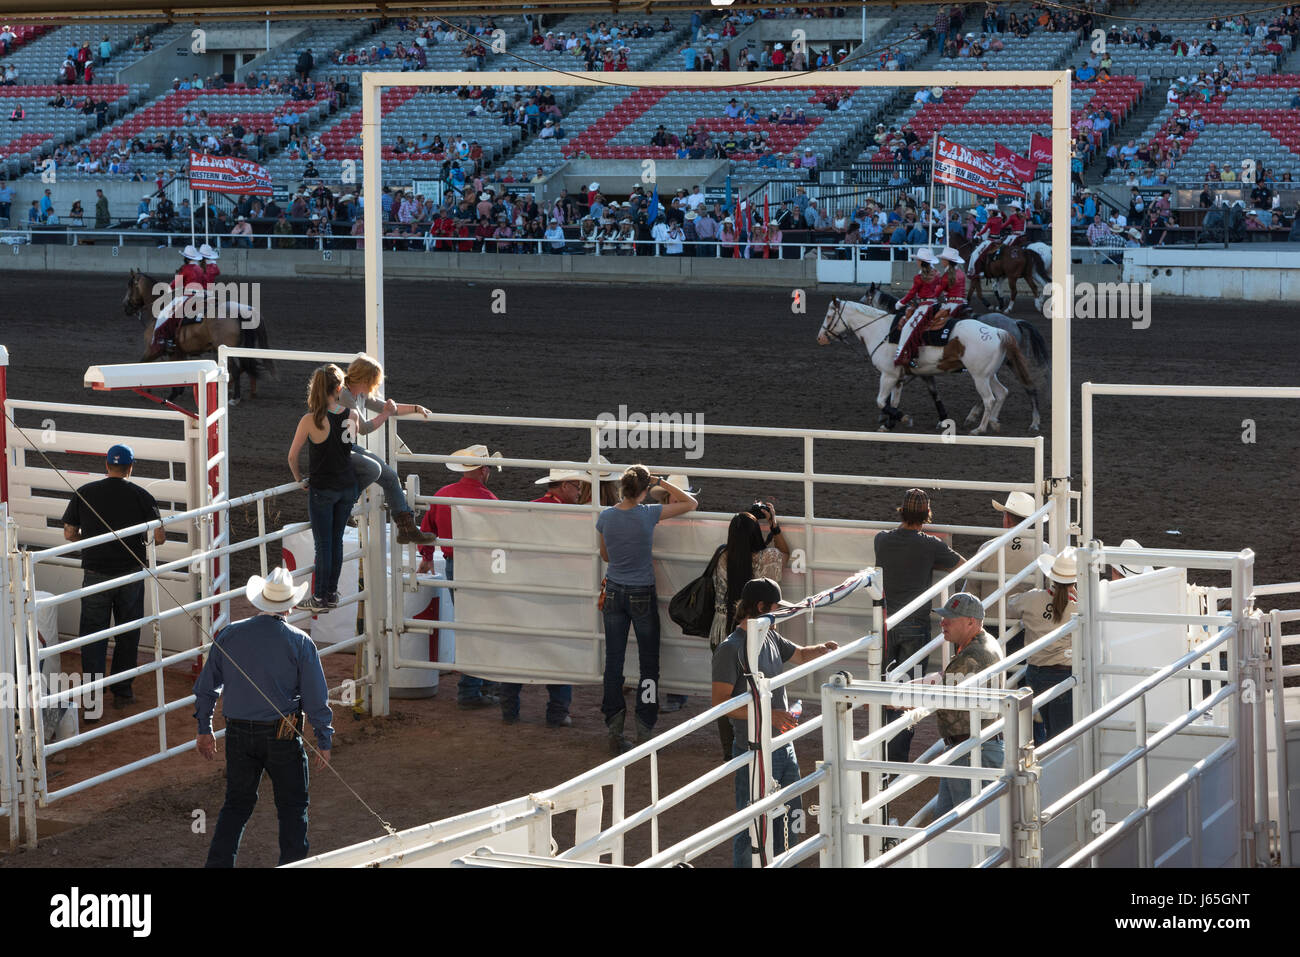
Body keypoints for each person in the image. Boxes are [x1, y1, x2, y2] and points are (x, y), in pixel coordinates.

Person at [194, 567, 334, 867]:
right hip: (281, 735)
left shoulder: (229, 634)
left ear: (259, 601)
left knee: (236, 804)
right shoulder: (300, 642)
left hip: (238, 734)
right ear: (291, 605)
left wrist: (204, 727)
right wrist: (324, 737)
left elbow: (206, 687)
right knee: (293, 806)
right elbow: (315, 698)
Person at [711, 577, 837, 867]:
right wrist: (767, 714)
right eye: (777, 609)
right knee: (751, 826)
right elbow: (719, 704)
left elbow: (802, 654)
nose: (781, 615)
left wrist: (823, 649)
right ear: (760, 607)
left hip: (779, 744)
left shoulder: (768, 636)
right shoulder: (731, 649)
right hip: (753, 750)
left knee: (791, 816)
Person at [597, 466, 697, 753]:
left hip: (614, 591)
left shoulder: (606, 517)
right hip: (642, 592)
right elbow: (691, 503)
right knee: (649, 665)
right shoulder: (648, 513)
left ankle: (614, 729)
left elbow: (604, 554)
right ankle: (644, 727)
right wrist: (662, 482)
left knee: (613, 663)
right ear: (643, 491)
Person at [61, 443, 166, 716]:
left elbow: (69, 533)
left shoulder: (84, 493)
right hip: (130, 573)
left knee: (93, 634)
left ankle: (93, 699)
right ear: (131, 467)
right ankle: (123, 691)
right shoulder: (142, 495)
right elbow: (159, 537)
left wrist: (93, 542)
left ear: (106, 466)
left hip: (95, 573)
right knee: (127, 632)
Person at [874, 488, 964, 763]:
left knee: (885, 691)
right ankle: (897, 758)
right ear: (926, 516)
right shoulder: (930, 545)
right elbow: (960, 565)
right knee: (909, 692)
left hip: (886, 625)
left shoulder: (882, 540)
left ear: (901, 511)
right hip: (915, 625)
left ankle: (882, 754)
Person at [496, 467, 584, 728]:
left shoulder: (530, 509)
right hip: (558, 590)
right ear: (565, 486)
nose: (580, 492)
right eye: (577, 487)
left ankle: (509, 710)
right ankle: (557, 712)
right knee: (559, 650)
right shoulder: (574, 515)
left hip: (526, 587)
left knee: (518, 648)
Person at [417, 444, 503, 708]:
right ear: (484, 470)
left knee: (468, 624)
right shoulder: (489, 500)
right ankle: (476, 687)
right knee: (486, 626)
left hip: (455, 564)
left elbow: (427, 528)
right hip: (481, 565)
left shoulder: (443, 495)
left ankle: (477, 685)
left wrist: (427, 556)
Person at [706, 503, 789, 759]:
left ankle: (731, 750)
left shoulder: (721, 557)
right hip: (754, 632)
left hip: (721, 630)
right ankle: (756, 741)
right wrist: (772, 525)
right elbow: (785, 551)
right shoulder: (768, 559)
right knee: (758, 686)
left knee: (725, 691)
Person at [338, 355, 435, 545]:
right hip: (339, 449)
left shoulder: (357, 393)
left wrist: (416, 408)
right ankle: (347, 502)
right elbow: (364, 428)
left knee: (389, 476)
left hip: (347, 446)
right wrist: (386, 414)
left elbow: (389, 408)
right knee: (378, 471)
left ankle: (406, 528)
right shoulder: (346, 396)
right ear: (366, 380)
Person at [287, 364, 360, 611]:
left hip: (322, 488)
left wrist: (299, 479)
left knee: (323, 545)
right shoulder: (351, 415)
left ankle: (320, 597)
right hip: (346, 487)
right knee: (336, 541)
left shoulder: (309, 420)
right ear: (338, 388)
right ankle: (331, 593)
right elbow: (348, 448)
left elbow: (292, 456)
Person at [927, 592, 1005, 816]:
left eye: (951, 617)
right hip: (972, 748)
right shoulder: (983, 644)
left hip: (971, 751)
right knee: (952, 825)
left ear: (970, 622)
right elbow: (947, 681)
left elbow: (940, 693)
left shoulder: (972, 655)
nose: (943, 622)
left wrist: (898, 698)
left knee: (964, 825)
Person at [1008, 547, 1077, 743]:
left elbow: (1011, 605)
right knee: (1061, 735)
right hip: (1062, 673)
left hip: (1035, 673)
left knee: (1036, 731)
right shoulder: (1077, 607)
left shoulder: (1031, 598)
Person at [144, 244, 205, 360]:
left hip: (188, 296)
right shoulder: (200, 270)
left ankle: (164, 340)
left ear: (186, 258)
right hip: (202, 296)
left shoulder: (185, 269)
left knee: (165, 315)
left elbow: (174, 285)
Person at [893, 247, 946, 368]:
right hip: (934, 304)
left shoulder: (918, 278)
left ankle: (900, 355)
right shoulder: (937, 274)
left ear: (921, 262)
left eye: (918, 260)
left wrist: (900, 303)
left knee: (908, 328)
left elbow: (912, 293)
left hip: (925, 307)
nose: (916, 262)